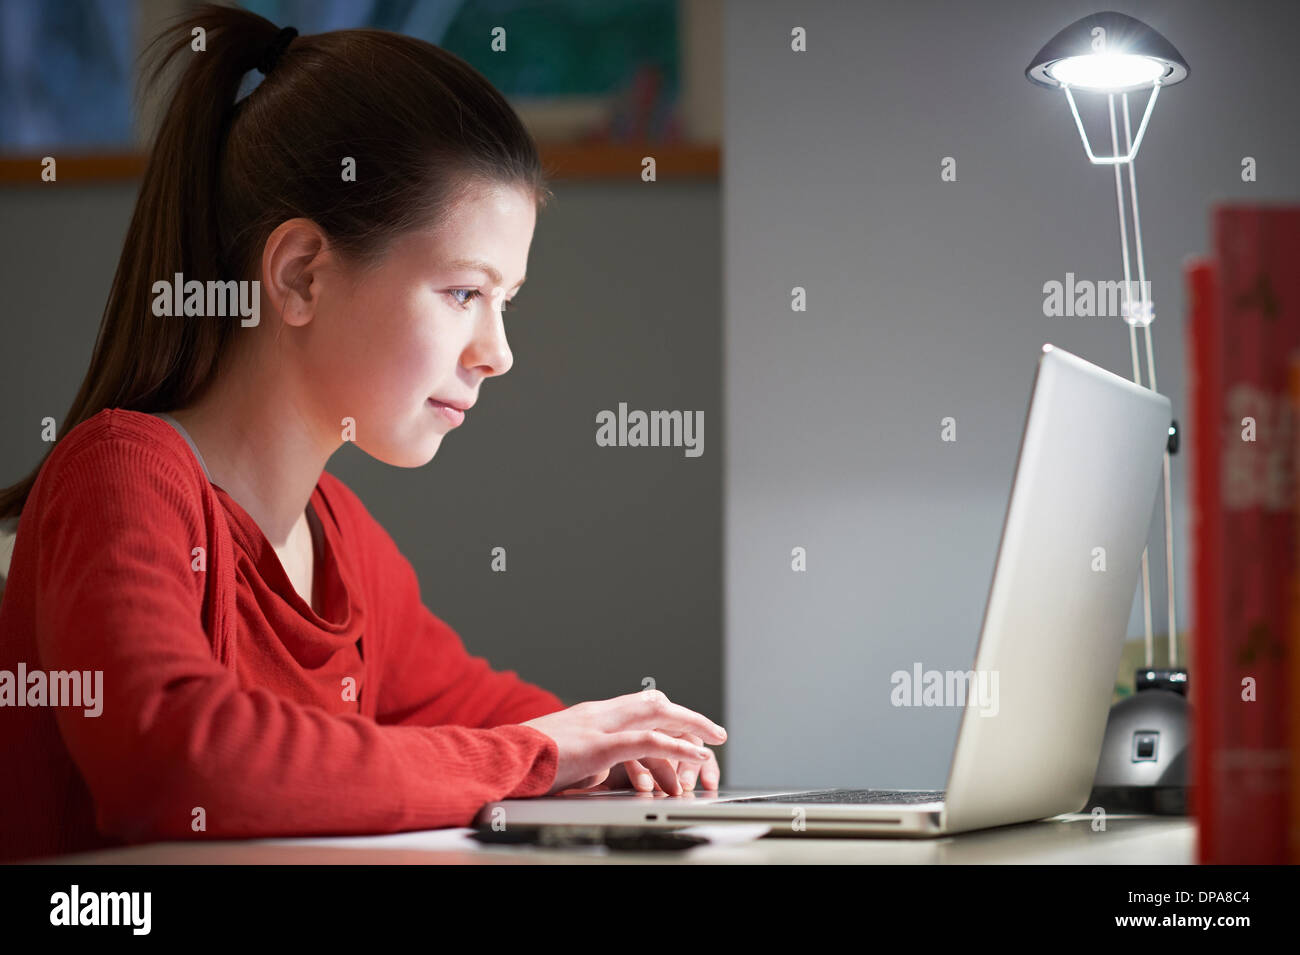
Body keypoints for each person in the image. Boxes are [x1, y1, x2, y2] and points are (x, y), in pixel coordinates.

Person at [0, 3, 724, 862]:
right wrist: (544, 753)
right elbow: (180, 764)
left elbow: (511, 722)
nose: (498, 353)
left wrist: (613, 753)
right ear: (301, 274)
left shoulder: (344, 541)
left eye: (507, 304)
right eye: (463, 293)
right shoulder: (121, 476)